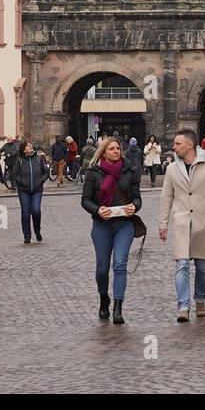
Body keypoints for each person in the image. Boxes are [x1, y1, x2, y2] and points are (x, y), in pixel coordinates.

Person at [158, 129, 205, 322]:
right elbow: (166, 197)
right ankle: (183, 306)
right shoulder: (171, 169)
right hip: (180, 222)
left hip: (202, 222)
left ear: (190, 145)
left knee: (202, 266)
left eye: (178, 143)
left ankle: (200, 300)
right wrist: (163, 223)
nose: (174, 146)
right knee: (181, 264)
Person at [81, 136, 142, 325]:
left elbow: (137, 198)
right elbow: (85, 200)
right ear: (103, 152)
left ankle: (118, 307)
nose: (116, 151)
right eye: (112, 149)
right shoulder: (93, 173)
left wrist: (134, 206)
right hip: (102, 225)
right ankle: (103, 298)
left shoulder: (130, 171)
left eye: (118, 149)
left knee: (120, 264)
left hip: (125, 224)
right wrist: (98, 210)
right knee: (101, 269)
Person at [8, 140, 49, 243]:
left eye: (30, 145)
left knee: (36, 211)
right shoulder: (20, 160)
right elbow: (14, 174)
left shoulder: (39, 158)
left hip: (37, 190)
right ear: (23, 150)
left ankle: (37, 231)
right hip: (23, 190)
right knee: (25, 212)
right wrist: (21, 182)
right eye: (27, 146)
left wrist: (42, 180)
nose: (30, 146)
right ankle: (27, 236)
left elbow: (46, 172)